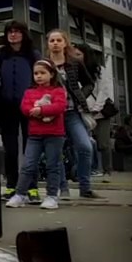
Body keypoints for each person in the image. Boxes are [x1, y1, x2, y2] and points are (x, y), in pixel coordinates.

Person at [6, 60, 68, 210]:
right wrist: (35, 111)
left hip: (54, 135)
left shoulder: (58, 90)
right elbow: (25, 107)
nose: (38, 76)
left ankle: (52, 196)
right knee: (27, 165)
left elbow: (60, 106)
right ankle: (20, 194)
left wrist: (41, 110)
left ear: (52, 74)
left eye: (42, 73)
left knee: (53, 165)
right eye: (36, 73)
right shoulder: (30, 92)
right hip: (34, 134)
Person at [0, 20, 41, 199]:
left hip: (30, 108)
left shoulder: (33, 55)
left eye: (17, 31)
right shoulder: (0, 55)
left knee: (30, 149)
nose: (13, 34)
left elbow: (41, 79)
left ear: (23, 34)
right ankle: (11, 186)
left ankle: (32, 187)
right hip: (7, 108)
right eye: (10, 32)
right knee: (10, 149)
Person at [44, 29, 96, 198]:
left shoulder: (74, 62)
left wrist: (81, 95)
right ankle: (62, 187)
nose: (56, 43)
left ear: (65, 43)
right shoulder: (44, 64)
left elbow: (89, 83)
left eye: (59, 40)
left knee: (85, 146)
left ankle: (85, 187)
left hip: (73, 112)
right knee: (56, 152)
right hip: (53, 115)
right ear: (48, 44)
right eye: (52, 40)